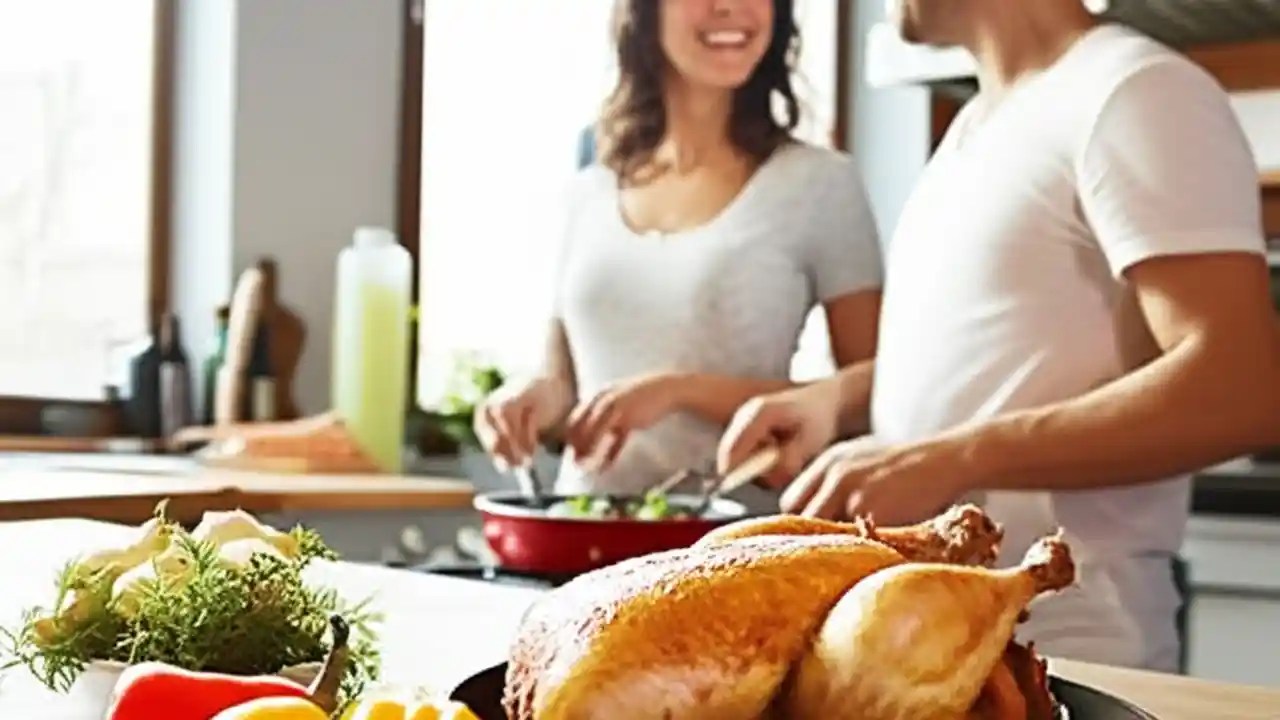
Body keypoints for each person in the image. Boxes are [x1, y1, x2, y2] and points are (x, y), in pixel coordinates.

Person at [717, 0, 1278, 672]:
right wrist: (835, 401)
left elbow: (1240, 386)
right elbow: (999, 353)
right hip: (939, 646)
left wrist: (950, 459)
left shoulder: (1134, 90)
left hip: (1069, 651)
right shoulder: (977, 124)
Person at [474, 0, 882, 507]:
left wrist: (680, 391)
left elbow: (871, 395)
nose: (729, 7)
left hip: (728, 547)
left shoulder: (820, 184)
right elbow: (563, 382)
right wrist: (528, 399)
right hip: (582, 535)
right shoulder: (591, 190)